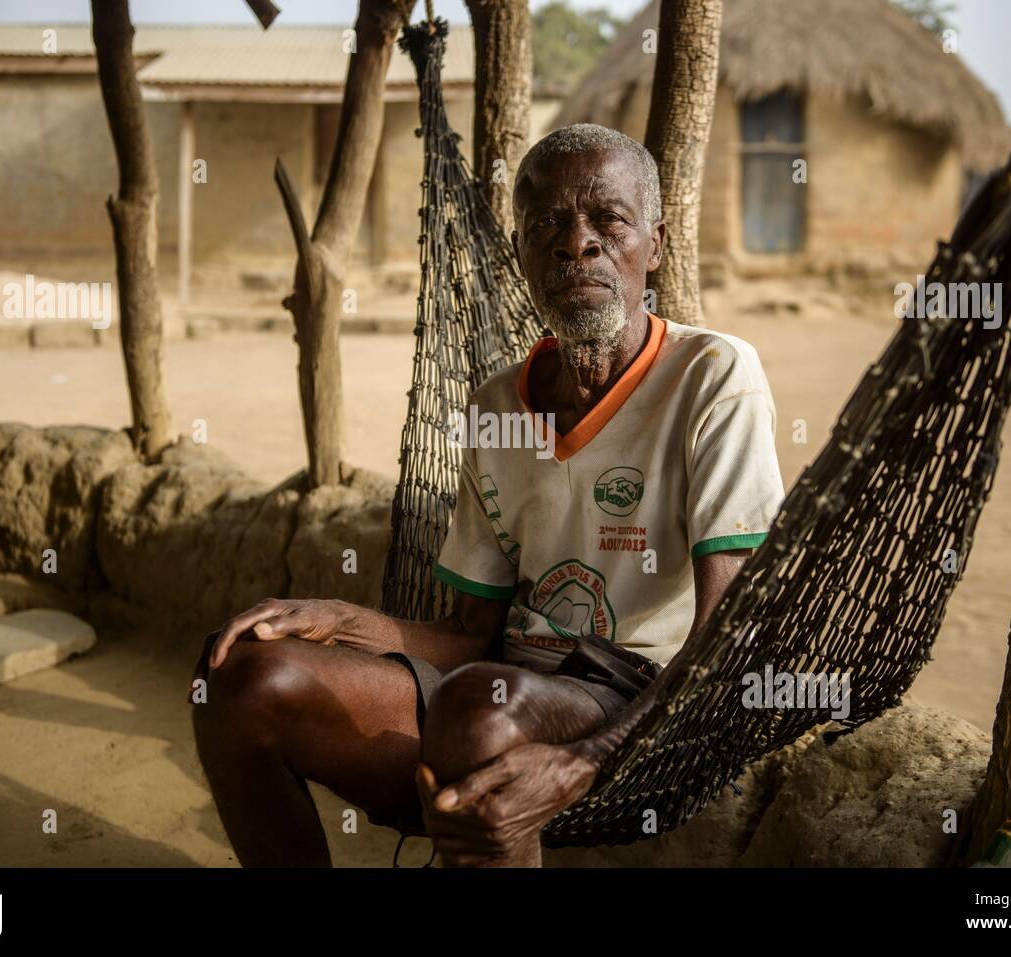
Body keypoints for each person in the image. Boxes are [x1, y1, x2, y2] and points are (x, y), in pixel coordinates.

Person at [190, 123, 785, 868]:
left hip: (629, 693)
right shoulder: (496, 407)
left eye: (608, 220)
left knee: (476, 711)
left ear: (655, 245)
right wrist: (343, 620)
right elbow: (470, 631)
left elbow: (726, 633)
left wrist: (587, 760)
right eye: (547, 226)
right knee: (238, 676)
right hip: (491, 682)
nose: (578, 245)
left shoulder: (714, 377)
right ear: (520, 255)